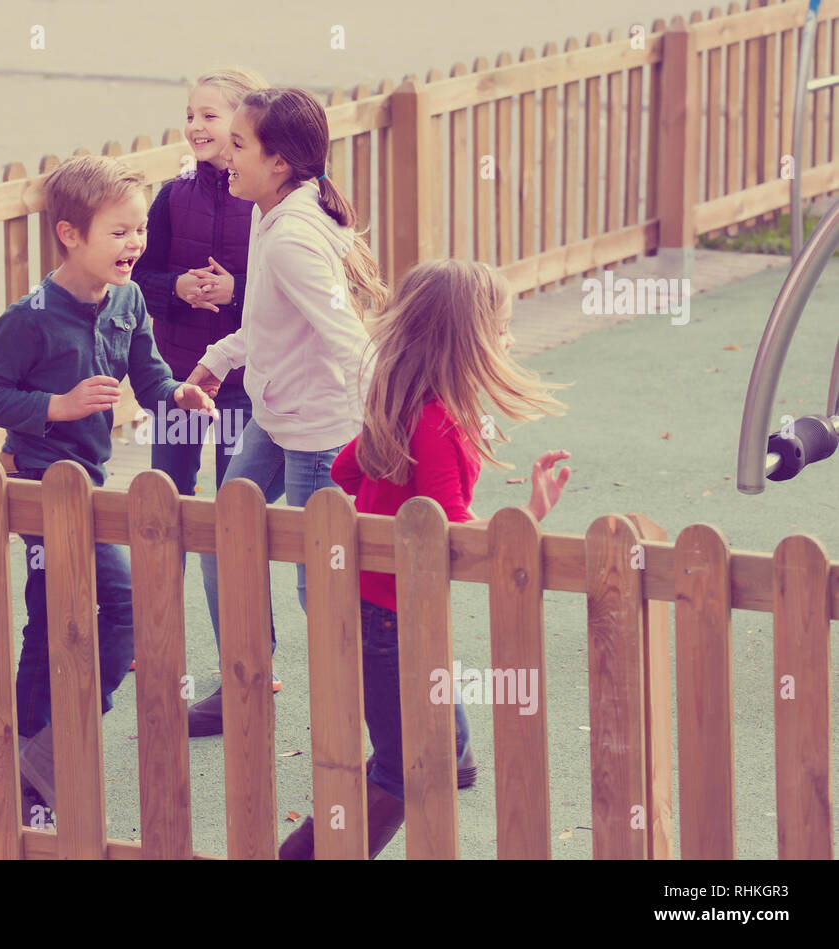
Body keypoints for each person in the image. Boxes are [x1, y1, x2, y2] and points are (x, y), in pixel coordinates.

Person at [279, 258, 571, 859]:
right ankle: (310, 855)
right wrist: (530, 519)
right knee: (404, 764)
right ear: (469, 341)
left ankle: (443, 765)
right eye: (502, 328)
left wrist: (385, 495)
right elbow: (449, 534)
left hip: (384, 608)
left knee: (438, 743)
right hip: (387, 619)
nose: (509, 338)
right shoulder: (438, 421)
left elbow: (342, 471)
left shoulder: (403, 406)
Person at [0, 155, 217, 824]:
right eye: (119, 231)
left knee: (51, 619)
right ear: (71, 235)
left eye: (139, 229)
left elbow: (150, 372)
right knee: (123, 602)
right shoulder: (30, 318)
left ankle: (30, 753)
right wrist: (59, 405)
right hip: (38, 482)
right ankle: (55, 741)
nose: (135, 243)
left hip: (91, 483)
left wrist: (178, 392)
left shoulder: (129, 300)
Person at [183, 87, 389, 736]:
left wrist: (385, 423)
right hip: (277, 422)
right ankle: (246, 677)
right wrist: (219, 357)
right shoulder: (270, 211)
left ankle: (427, 735)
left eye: (239, 144)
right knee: (224, 535)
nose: (225, 153)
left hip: (319, 436)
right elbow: (272, 324)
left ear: (278, 163)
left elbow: (346, 338)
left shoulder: (294, 235)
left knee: (324, 591)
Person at [131, 66, 281, 694]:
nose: (195, 125)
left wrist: (234, 291)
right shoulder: (171, 196)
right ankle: (150, 642)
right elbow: (139, 276)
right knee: (162, 505)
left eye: (210, 115)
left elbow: (282, 293)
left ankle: (249, 658)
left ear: (244, 125)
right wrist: (179, 288)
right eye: (190, 113)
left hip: (242, 384)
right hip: (178, 380)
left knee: (232, 519)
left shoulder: (268, 203)